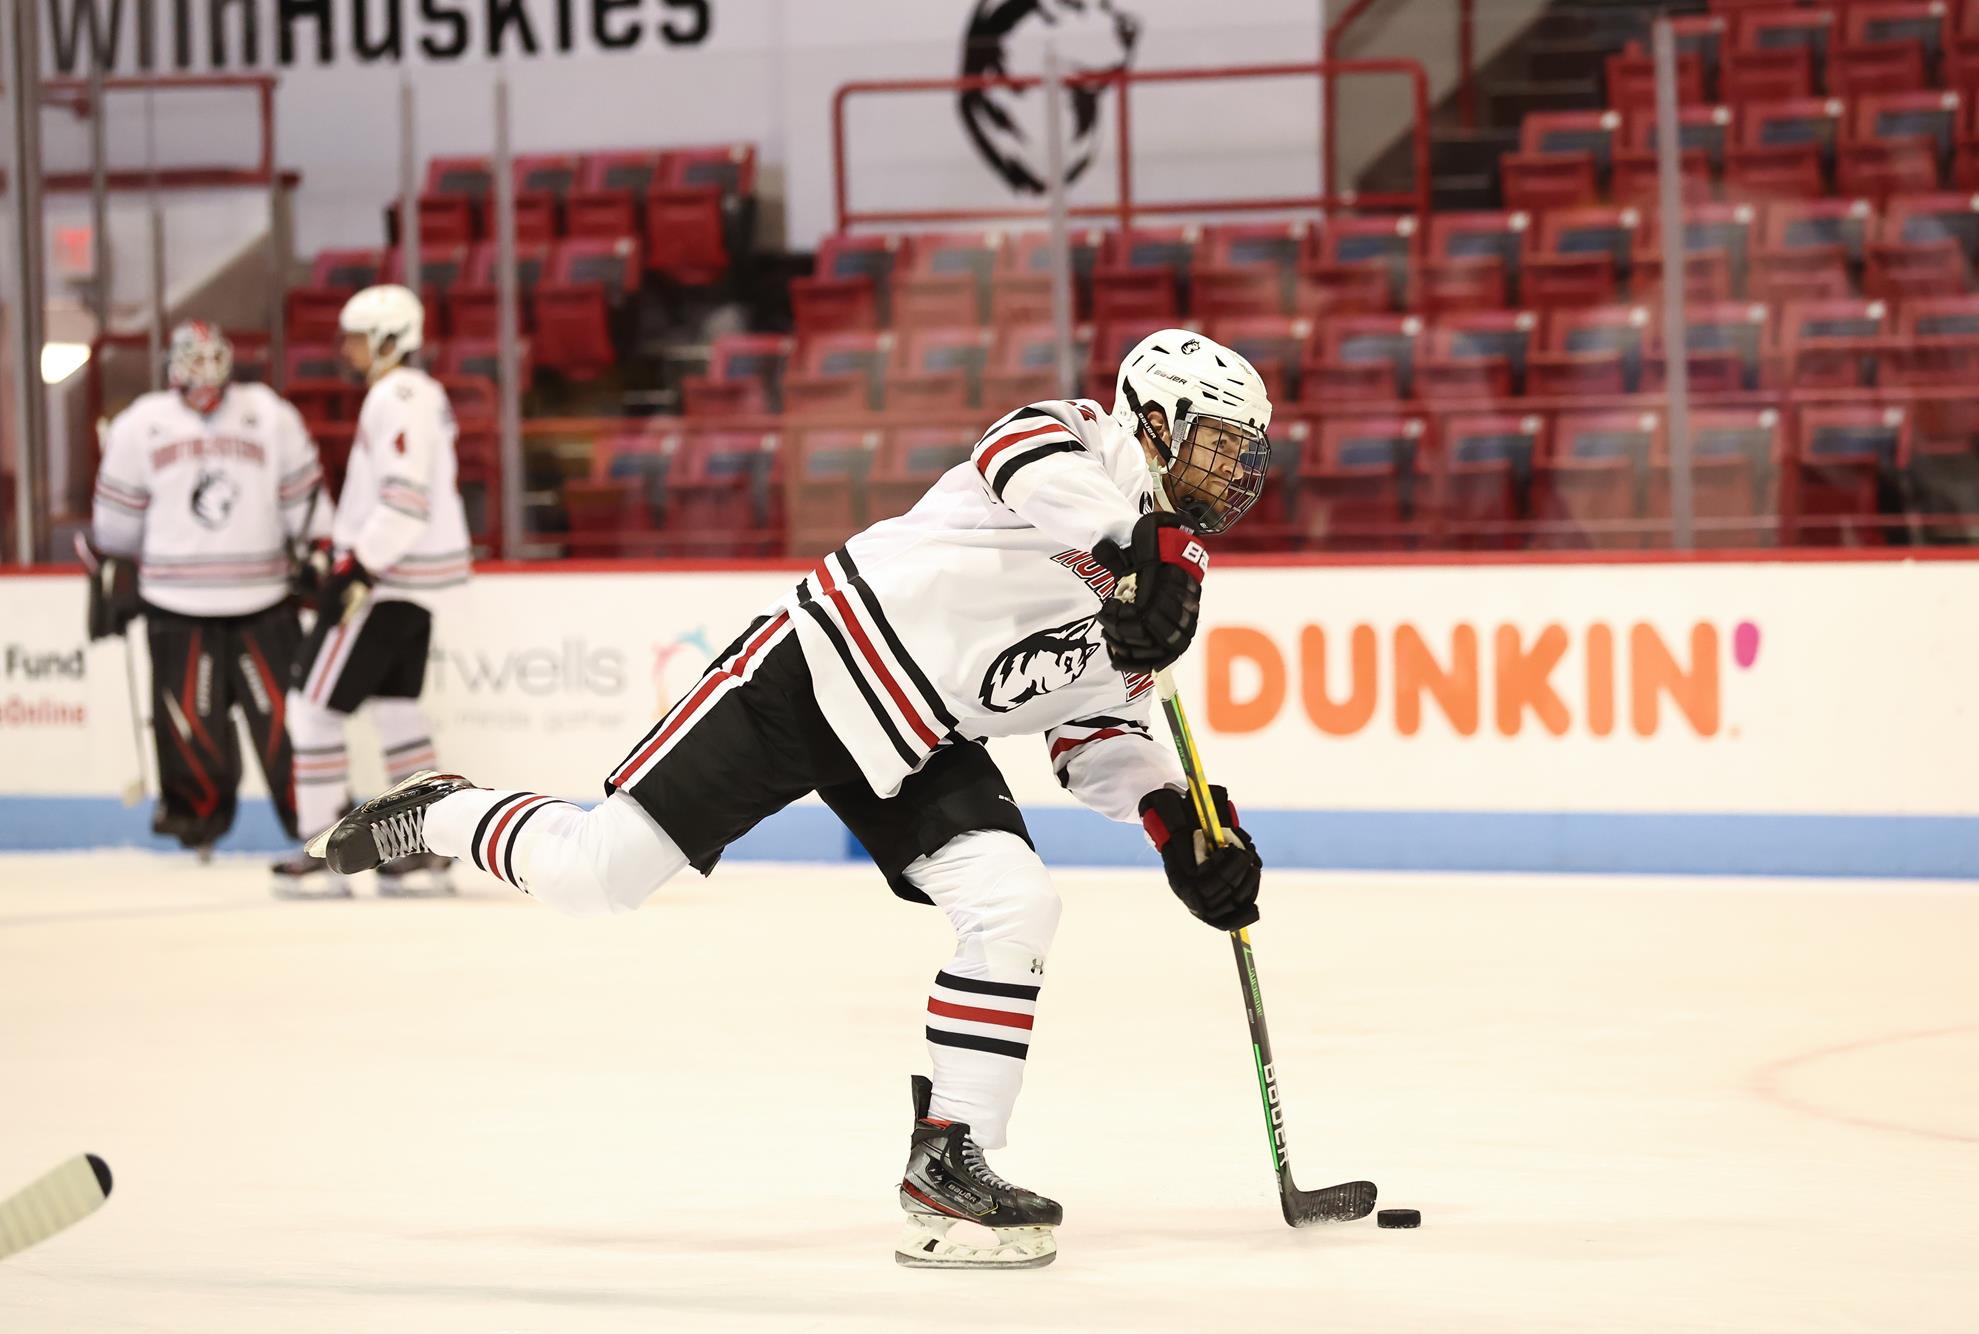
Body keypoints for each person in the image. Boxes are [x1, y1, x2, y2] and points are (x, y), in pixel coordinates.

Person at [307, 329, 1271, 1269]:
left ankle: (949, 1165)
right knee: (590, 875)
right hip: (817, 670)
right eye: (1221, 443)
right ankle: (439, 809)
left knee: (1017, 902)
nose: (1235, 473)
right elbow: (1014, 454)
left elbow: (1101, 729)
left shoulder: (1166, 584)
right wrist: (1138, 547)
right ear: (1152, 418)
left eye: (1245, 454)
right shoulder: (1079, 445)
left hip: (926, 740)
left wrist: (1177, 821)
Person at [87, 321, 321, 854]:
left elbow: (303, 501)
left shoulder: (268, 413)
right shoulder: (141, 424)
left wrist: (318, 551)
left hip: (264, 597)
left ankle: (315, 820)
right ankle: (196, 823)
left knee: (286, 723)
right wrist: (115, 568)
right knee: (190, 724)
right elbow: (114, 522)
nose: (202, 373)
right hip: (177, 602)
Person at [271, 285, 471, 899]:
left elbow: (402, 503)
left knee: (310, 707)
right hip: (413, 585)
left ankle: (325, 846)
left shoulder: (396, 395)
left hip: (384, 583)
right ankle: (426, 847)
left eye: (357, 336)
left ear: (389, 338)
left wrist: (355, 569)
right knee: (396, 710)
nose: (347, 349)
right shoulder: (421, 393)